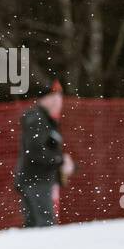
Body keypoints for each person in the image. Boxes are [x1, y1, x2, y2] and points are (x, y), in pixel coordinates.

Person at [14, 81, 74, 227]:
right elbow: (36, 151)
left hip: (37, 180)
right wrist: (60, 161)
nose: (58, 102)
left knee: (36, 226)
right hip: (36, 181)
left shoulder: (44, 119)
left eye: (59, 97)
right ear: (43, 99)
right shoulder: (38, 119)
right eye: (54, 97)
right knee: (44, 227)